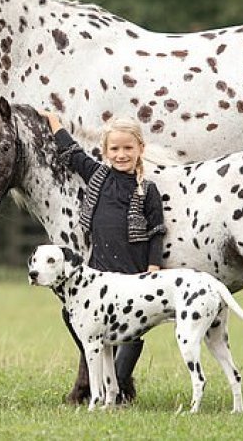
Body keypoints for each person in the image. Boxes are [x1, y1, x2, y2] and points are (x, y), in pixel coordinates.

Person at [41, 111, 166, 403]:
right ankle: (97, 367)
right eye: (115, 149)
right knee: (71, 314)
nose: (121, 154)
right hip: (98, 271)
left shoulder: (146, 190)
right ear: (105, 151)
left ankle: (121, 385)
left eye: (128, 148)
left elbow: (157, 231)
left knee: (131, 331)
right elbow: (71, 153)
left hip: (131, 273)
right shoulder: (98, 176)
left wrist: (153, 266)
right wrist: (53, 122)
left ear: (140, 150)